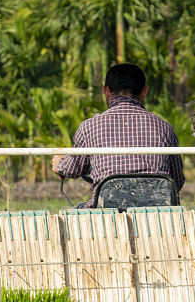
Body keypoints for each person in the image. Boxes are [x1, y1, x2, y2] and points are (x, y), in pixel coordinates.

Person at [52, 63, 183, 201]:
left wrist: (59, 163)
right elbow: (176, 181)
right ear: (144, 91)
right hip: (156, 211)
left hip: (107, 211)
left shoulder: (89, 127)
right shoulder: (164, 127)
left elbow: (72, 169)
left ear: (106, 91)